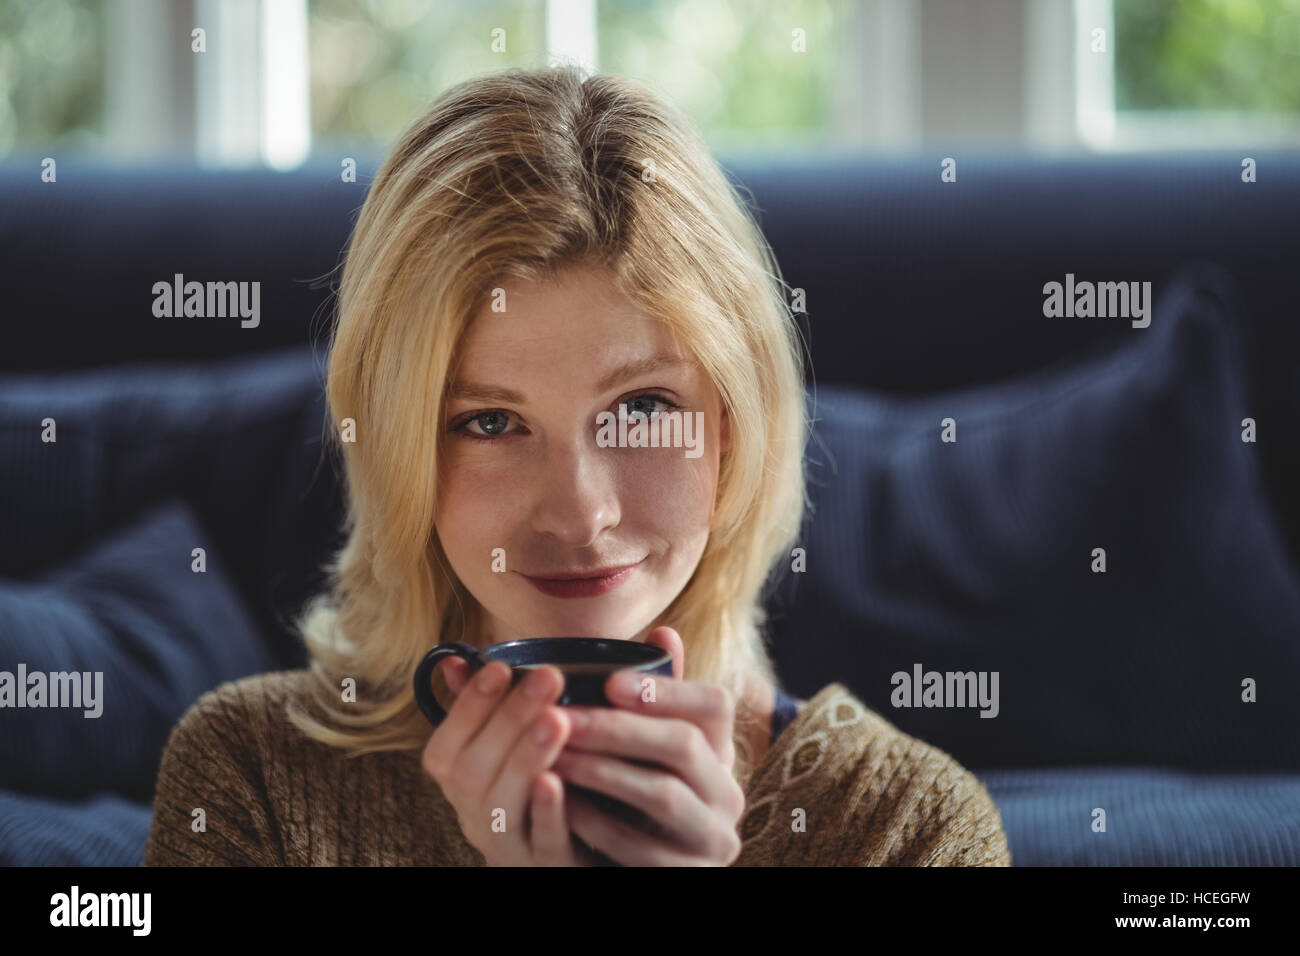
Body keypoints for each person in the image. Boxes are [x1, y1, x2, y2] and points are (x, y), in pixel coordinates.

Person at [143, 65, 1010, 867]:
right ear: (399, 446)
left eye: (640, 410)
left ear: (732, 428)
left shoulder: (906, 826)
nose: (581, 512)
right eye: (488, 421)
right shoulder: (249, 775)